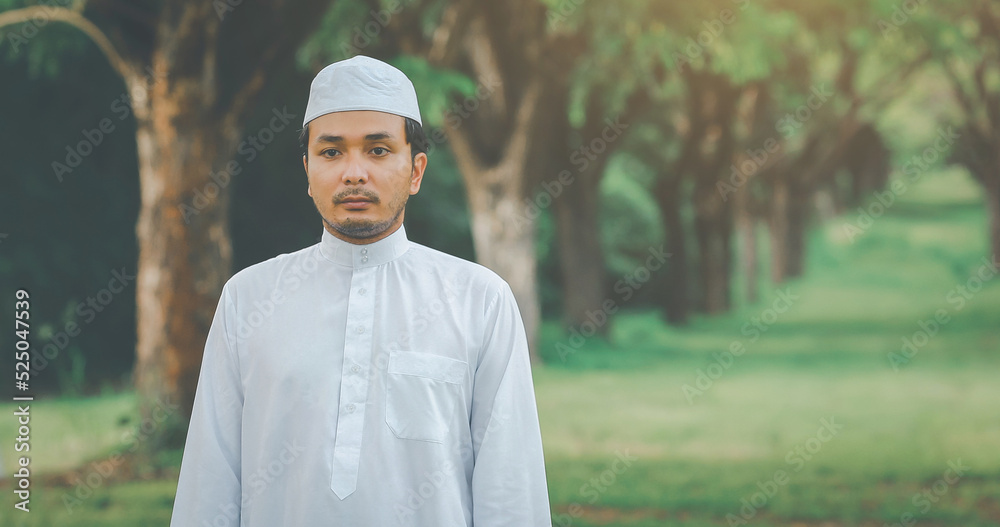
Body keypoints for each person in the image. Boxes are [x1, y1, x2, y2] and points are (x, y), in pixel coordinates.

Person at [168, 55, 551, 526]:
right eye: (332, 152)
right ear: (308, 171)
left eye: (378, 150)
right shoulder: (248, 299)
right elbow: (210, 484)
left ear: (416, 171)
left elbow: (511, 491)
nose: (353, 173)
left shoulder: (480, 301)